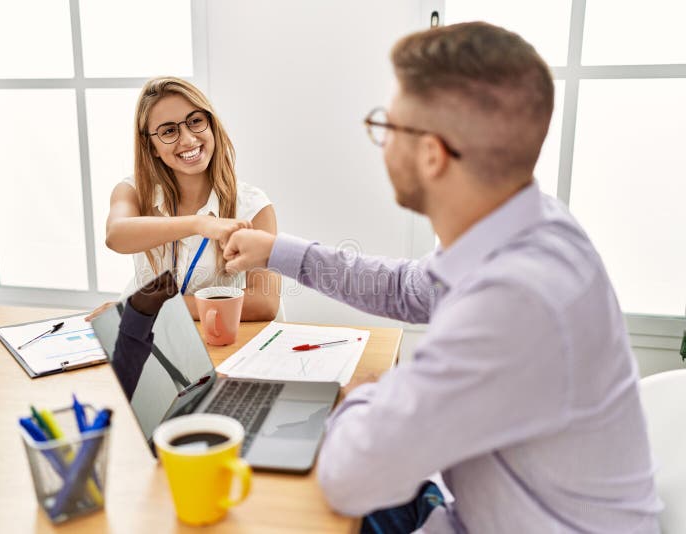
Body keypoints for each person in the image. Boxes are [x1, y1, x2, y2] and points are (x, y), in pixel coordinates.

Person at [222, 22, 661, 533]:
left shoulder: (512, 302)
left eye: (387, 126)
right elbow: (401, 288)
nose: (381, 141)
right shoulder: (531, 223)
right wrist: (276, 251)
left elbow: (349, 476)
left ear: (431, 153)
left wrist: (365, 391)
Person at [88, 76, 280, 322]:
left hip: (206, 332)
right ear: (152, 147)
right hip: (147, 333)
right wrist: (199, 224)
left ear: (211, 125)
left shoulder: (253, 206)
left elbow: (264, 302)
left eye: (195, 121)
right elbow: (116, 235)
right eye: (169, 131)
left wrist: (150, 308)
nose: (188, 139)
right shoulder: (133, 190)